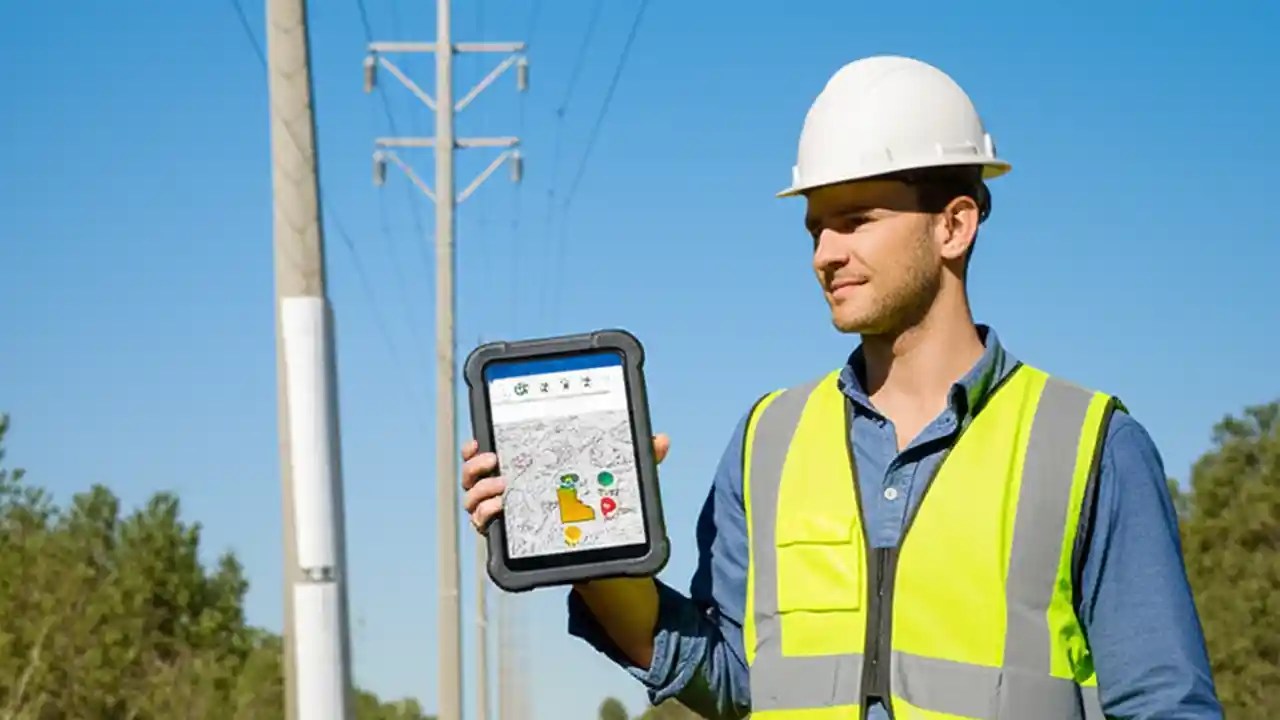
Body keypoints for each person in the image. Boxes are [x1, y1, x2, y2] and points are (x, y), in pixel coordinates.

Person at [461, 55, 1223, 720]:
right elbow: (729, 679)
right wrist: (592, 551)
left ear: (954, 226)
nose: (826, 253)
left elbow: (1165, 704)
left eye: (856, 220)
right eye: (815, 227)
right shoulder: (768, 440)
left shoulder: (1088, 443)